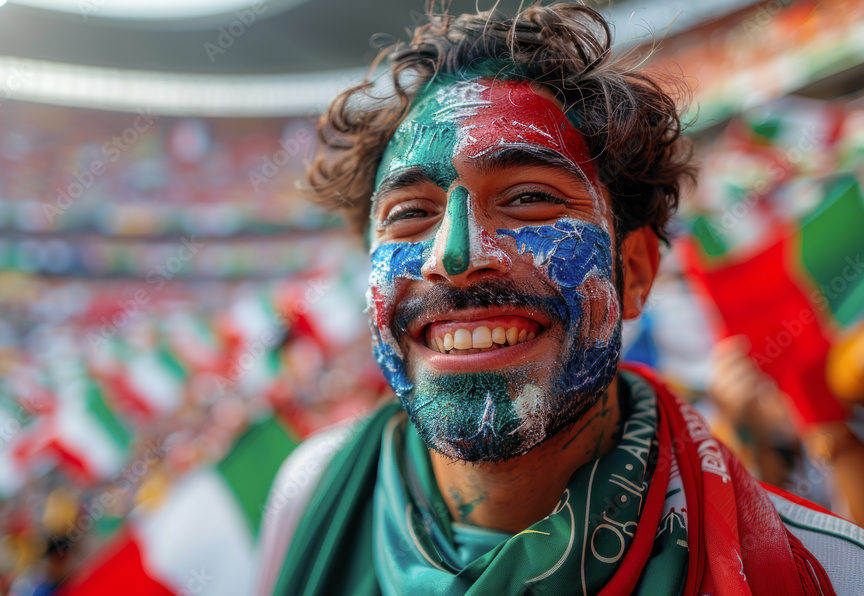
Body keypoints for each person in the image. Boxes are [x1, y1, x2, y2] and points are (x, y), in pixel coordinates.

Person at [254, 3, 864, 595]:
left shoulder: (831, 574)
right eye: (410, 214)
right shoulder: (309, 492)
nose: (454, 258)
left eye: (526, 198)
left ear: (634, 272)